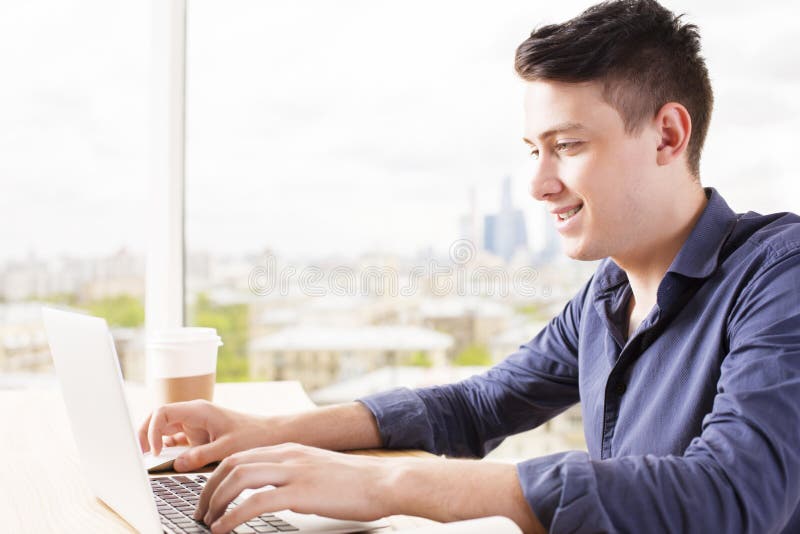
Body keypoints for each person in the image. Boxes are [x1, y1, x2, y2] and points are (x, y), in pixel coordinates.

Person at [139, 1, 800, 533]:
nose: (540, 185)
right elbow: (476, 405)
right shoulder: (606, 298)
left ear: (667, 135)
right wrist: (271, 432)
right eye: (534, 150)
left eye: (567, 146)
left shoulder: (779, 274)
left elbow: (733, 496)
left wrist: (393, 485)